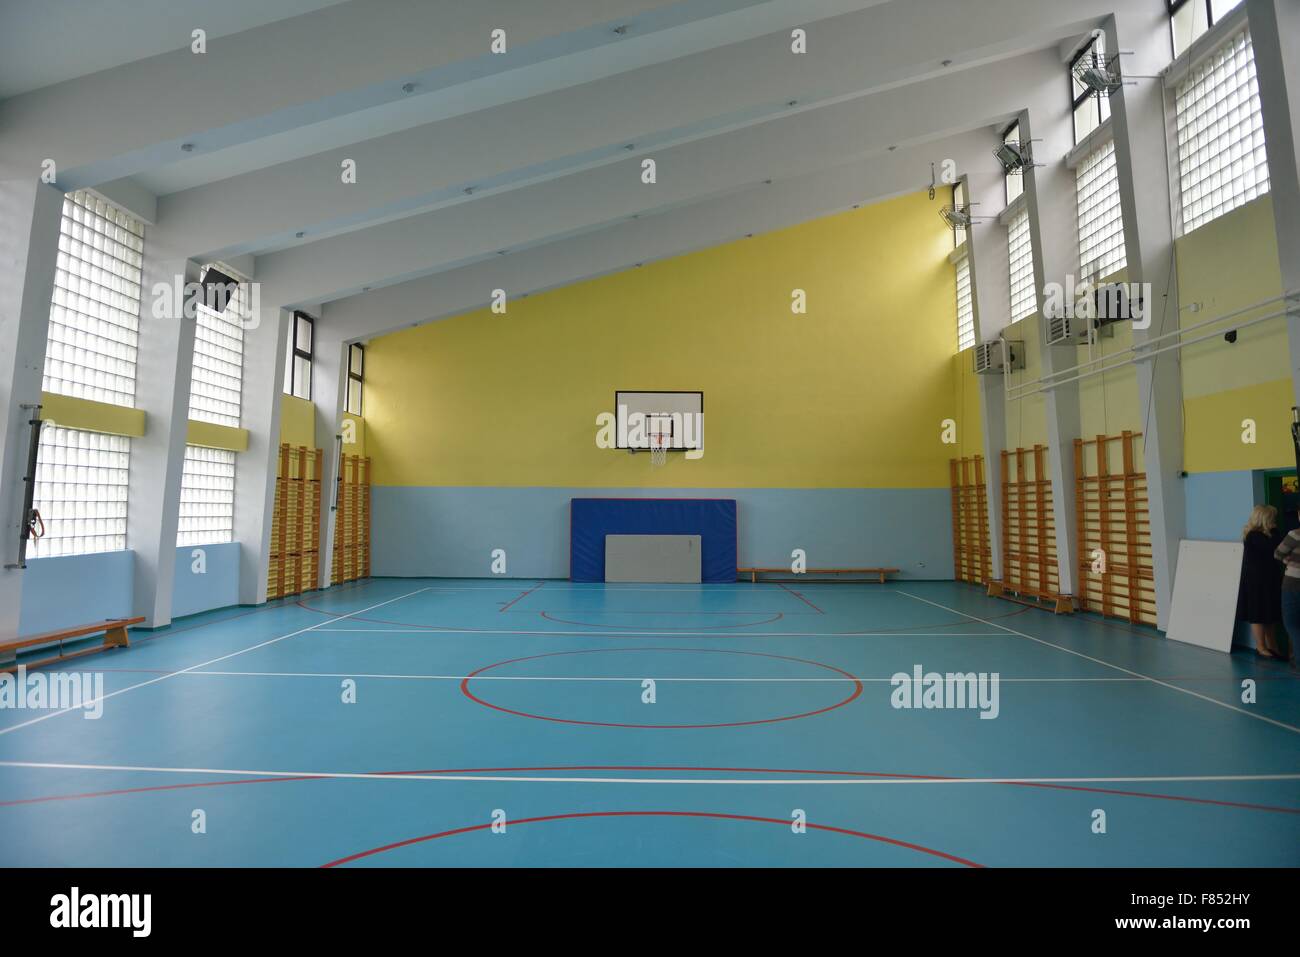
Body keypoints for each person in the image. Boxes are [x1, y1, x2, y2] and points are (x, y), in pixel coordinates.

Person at [1238, 505, 1284, 658]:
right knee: (1257, 613)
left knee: (1270, 613)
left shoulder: (1272, 533)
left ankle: (1272, 645)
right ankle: (1261, 646)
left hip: (1270, 578)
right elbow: (1274, 547)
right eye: (1272, 517)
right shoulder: (1253, 535)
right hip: (1256, 581)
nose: (1274, 520)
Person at [1272, 510, 1300, 667]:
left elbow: (1278, 553)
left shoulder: (1295, 534)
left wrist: (1287, 559)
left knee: (1293, 624)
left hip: (1294, 584)